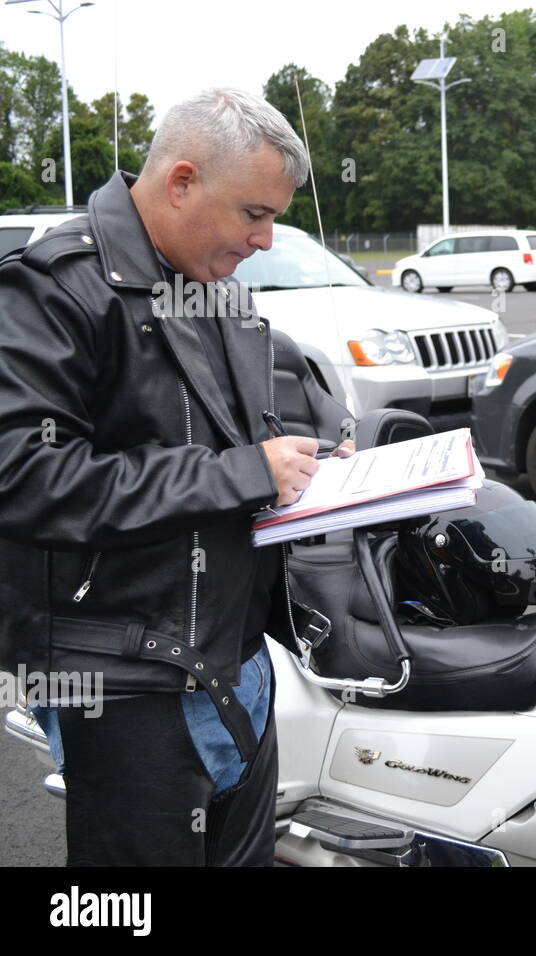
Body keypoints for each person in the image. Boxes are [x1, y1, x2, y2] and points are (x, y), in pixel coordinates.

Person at [0, 88, 353, 865]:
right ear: (182, 180)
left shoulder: (215, 288)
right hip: (126, 681)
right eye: (253, 213)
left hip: (238, 668)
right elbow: (24, 476)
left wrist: (321, 460)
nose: (265, 239)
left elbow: (247, 442)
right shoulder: (55, 286)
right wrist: (240, 475)